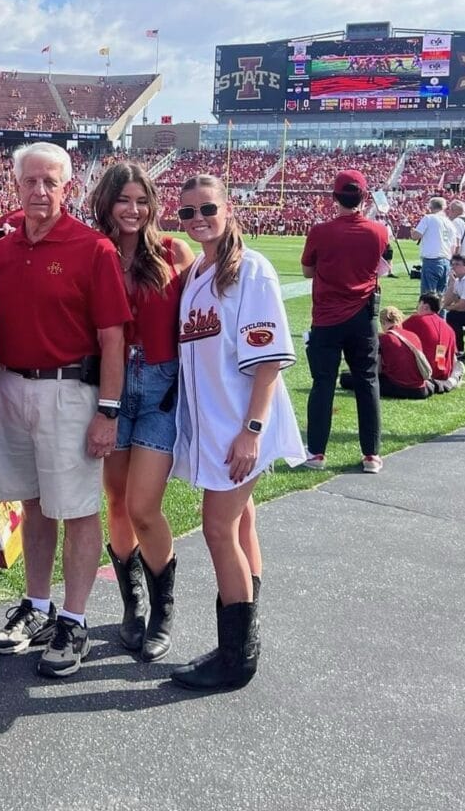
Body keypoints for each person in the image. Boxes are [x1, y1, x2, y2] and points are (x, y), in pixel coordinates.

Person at [0, 142, 130, 678]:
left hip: (69, 390)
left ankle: (75, 618)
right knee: (33, 503)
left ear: (68, 186)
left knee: (79, 508)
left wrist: (108, 411)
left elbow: (113, 338)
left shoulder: (93, 248)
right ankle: (38, 605)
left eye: (50, 181)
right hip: (11, 385)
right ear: (16, 184)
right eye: (31, 180)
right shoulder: (1, 249)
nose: (40, 191)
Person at [168, 174, 304, 691]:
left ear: (228, 210)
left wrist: (252, 430)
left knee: (217, 528)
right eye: (188, 212)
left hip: (243, 424)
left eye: (208, 208)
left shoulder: (252, 269)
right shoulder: (198, 272)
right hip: (218, 422)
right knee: (241, 522)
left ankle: (237, 656)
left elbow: (268, 362)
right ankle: (244, 634)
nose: (198, 219)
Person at [88, 162, 193, 662]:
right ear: (106, 203)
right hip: (110, 389)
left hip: (159, 388)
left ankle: (162, 608)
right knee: (116, 503)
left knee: (143, 507)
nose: (133, 210)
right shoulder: (94, 252)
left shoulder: (173, 251)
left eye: (141, 200)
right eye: (123, 200)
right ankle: (132, 603)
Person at [300, 169, 389, 473]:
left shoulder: (320, 231)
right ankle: (371, 454)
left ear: (335, 197)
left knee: (323, 383)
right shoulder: (379, 231)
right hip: (363, 316)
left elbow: (307, 271)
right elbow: (380, 266)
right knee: (368, 381)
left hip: (327, 317)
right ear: (364, 197)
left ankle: (316, 453)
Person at [340, 307, 430, 399]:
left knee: (347, 378)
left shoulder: (385, 339)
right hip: (419, 389)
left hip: (398, 386)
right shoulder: (413, 336)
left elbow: (376, 369)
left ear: (383, 322)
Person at [403, 293, 461, 391]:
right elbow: (450, 353)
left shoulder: (416, 320)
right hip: (443, 373)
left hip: (424, 372)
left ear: (425, 306)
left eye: (418, 305)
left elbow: (396, 334)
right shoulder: (448, 328)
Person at [411, 196, 453, 295]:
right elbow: (453, 244)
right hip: (446, 260)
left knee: (428, 296)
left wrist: (413, 232)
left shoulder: (428, 218)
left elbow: (416, 236)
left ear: (430, 207)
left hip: (432, 260)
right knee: (441, 295)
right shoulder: (449, 222)